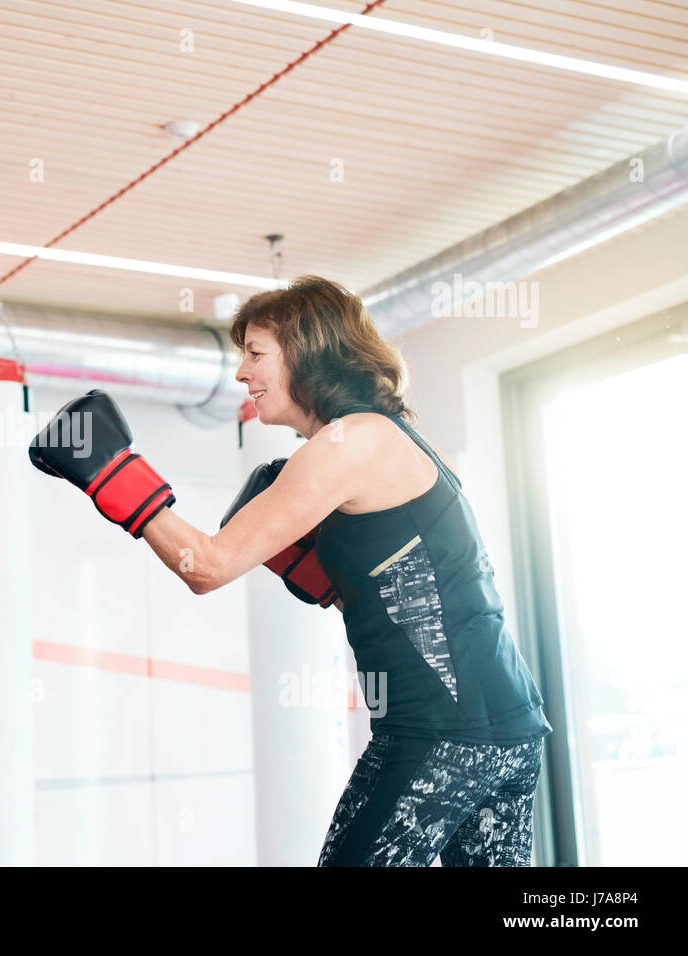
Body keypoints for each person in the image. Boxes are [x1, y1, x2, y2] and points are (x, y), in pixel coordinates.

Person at [29, 275, 552, 867]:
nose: (241, 374)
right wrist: (322, 572)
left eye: (257, 355)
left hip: (437, 734)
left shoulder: (347, 442)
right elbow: (406, 591)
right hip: (509, 728)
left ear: (310, 352)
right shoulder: (388, 438)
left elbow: (206, 566)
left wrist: (108, 468)